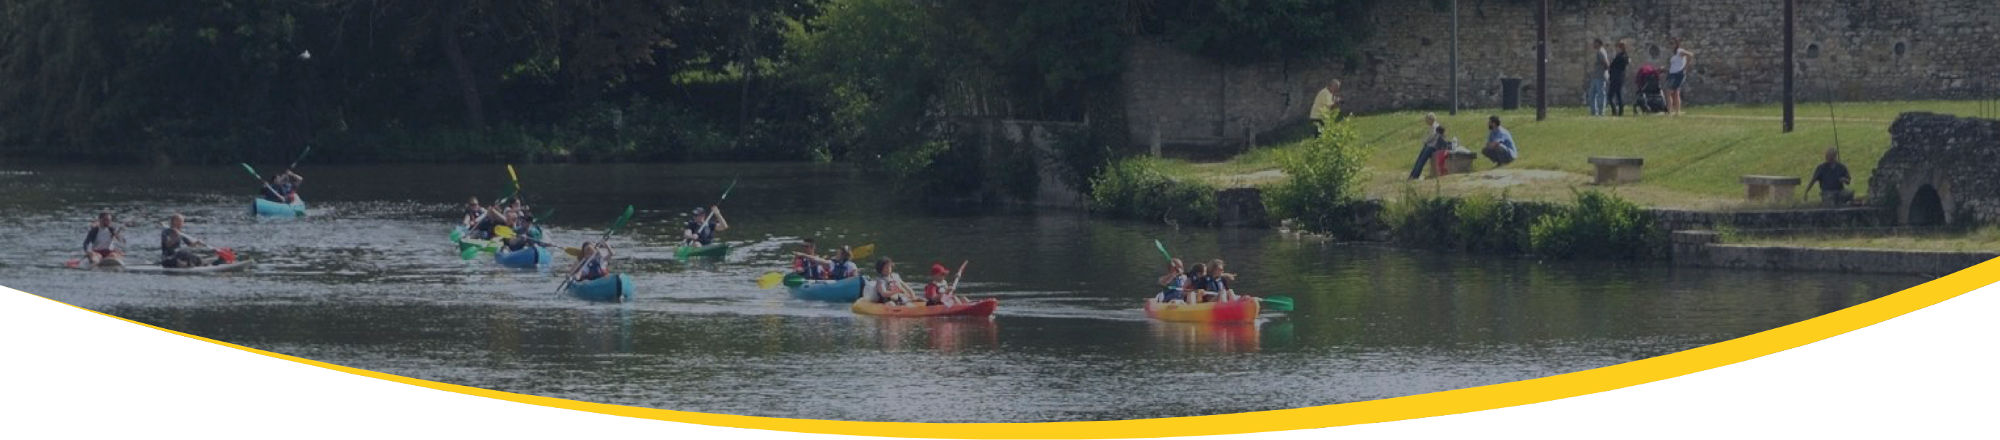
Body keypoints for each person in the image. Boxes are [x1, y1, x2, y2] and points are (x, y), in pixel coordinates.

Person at [1409, 113, 1445, 180]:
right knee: (1419, 159)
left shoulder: (1435, 127)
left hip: (1432, 147)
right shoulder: (1432, 126)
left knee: (1422, 160)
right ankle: (1412, 175)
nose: (1426, 121)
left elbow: (1431, 136)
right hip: (1429, 145)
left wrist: (1424, 141)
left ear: (1431, 119)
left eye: (1427, 119)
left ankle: (1415, 176)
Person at [1666, 38, 1696, 116]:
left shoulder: (1680, 51)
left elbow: (1690, 54)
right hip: (1672, 73)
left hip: (1678, 74)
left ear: (1676, 44)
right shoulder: (1674, 54)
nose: (1671, 45)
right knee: (1676, 92)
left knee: (1669, 92)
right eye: (1670, 43)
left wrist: (1685, 67)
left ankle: (1671, 111)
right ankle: (1676, 111)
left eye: (1672, 43)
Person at [1608, 40, 1631, 116]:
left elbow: (1613, 65)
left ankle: (1615, 111)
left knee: (1611, 95)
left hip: (1616, 77)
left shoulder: (1621, 56)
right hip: (1620, 77)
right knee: (1618, 94)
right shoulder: (1624, 56)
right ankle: (1620, 111)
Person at [1589, 38, 1610, 117]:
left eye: (1594, 43)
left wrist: (1604, 72)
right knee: (1592, 94)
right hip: (1596, 76)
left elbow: (1606, 63)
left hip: (1600, 76)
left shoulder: (1601, 51)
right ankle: (1594, 112)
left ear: (1598, 43)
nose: (1593, 45)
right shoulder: (1599, 51)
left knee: (1601, 94)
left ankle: (1601, 112)